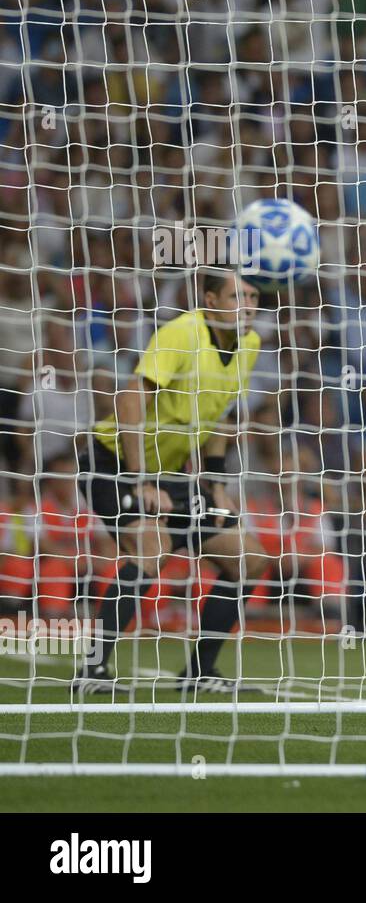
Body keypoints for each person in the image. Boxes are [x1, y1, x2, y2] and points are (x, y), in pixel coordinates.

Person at [74, 267, 272, 694]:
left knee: (250, 559)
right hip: (113, 463)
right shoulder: (182, 333)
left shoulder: (249, 344)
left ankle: (199, 673)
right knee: (153, 548)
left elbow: (219, 418)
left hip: (173, 475)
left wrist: (217, 487)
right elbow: (130, 399)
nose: (248, 307)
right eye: (238, 297)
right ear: (211, 300)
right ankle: (91, 669)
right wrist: (139, 480)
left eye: (254, 299)